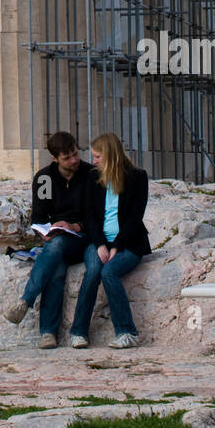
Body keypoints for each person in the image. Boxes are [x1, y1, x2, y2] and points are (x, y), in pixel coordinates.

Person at [3, 131, 92, 348]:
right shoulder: (45, 178)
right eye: (67, 157)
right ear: (55, 159)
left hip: (85, 236)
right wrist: (44, 232)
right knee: (57, 269)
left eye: (75, 154)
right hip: (58, 239)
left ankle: (26, 300)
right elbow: (39, 217)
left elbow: (98, 216)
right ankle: (48, 334)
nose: (74, 160)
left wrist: (74, 226)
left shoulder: (91, 174)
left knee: (57, 245)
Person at [69, 132, 151, 350]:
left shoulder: (138, 177)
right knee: (93, 272)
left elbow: (135, 217)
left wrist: (117, 246)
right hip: (99, 241)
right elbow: (90, 216)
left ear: (110, 155)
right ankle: (78, 332)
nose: (93, 161)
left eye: (97, 157)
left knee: (109, 272)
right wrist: (101, 244)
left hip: (129, 243)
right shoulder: (93, 177)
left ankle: (127, 332)